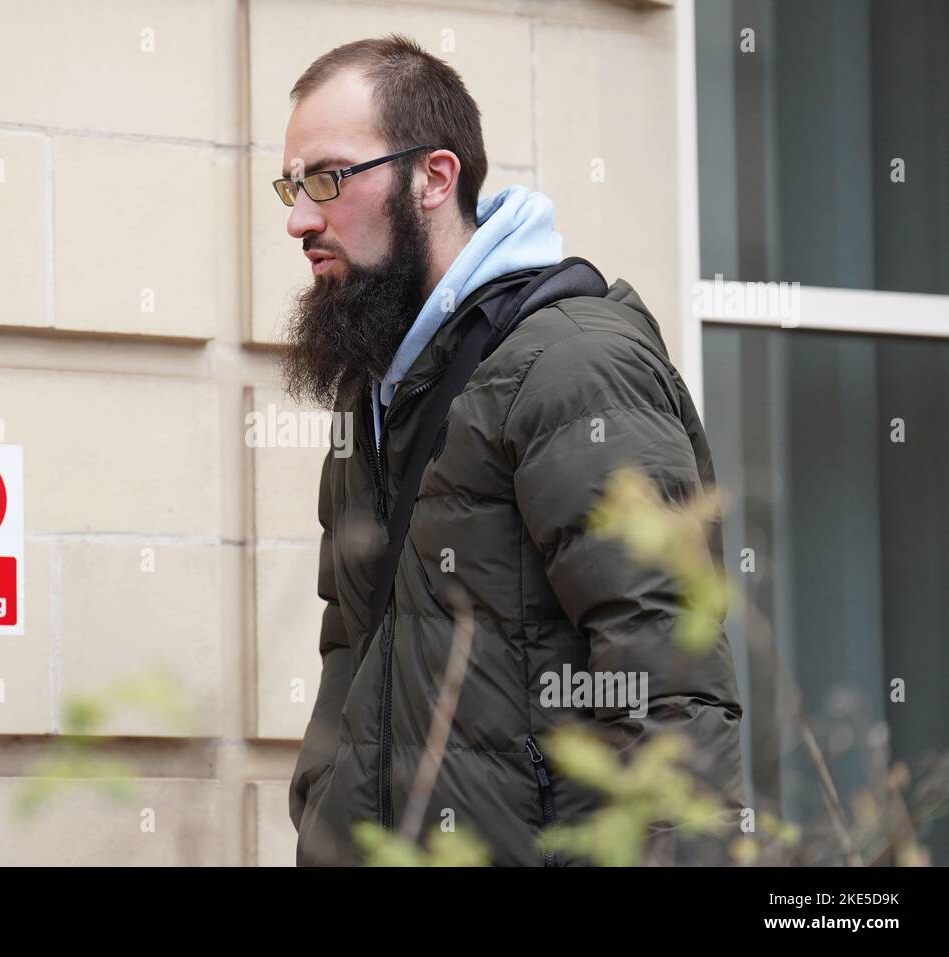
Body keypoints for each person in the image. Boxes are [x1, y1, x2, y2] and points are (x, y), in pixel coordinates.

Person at [275, 34, 745, 867]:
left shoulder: (573, 366)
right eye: (291, 184)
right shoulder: (379, 390)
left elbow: (669, 693)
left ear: (434, 178)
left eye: (329, 178)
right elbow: (349, 664)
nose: (299, 218)